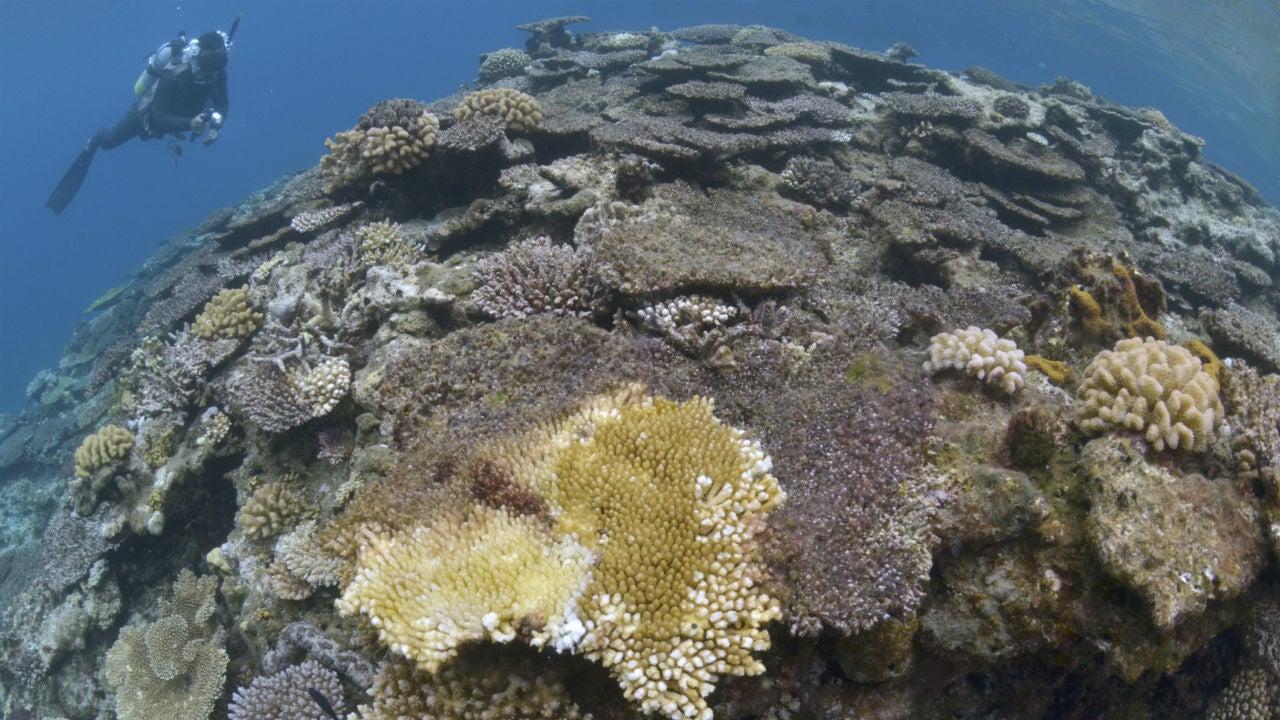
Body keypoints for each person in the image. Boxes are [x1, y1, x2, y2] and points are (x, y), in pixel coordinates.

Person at [47, 23, 236, 215]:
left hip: (183, 118)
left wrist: (215, 127)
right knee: (110, 141)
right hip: (145, 118)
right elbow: (159, 118)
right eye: (210, 65)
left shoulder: (218, 73)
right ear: (199, 56)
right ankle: (95, 140)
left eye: (218, 65)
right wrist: (189, 123)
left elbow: (222, 104)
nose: (211, 72)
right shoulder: (174, 73)